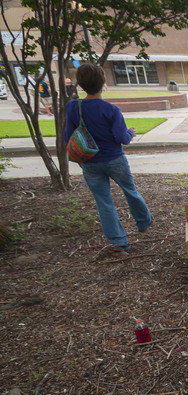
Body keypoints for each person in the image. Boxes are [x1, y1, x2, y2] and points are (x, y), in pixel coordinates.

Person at [64, 63, 152, 254]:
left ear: (80, 84)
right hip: (114, 159)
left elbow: (68, 137)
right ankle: (144, 222)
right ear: (103, 82)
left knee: (103, 201)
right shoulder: (111, 110)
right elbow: (121, 138)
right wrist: (130, 133)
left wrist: (80, 159)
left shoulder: (73, 107)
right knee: (130, 190)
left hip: (89, 162)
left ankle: (119, 241)